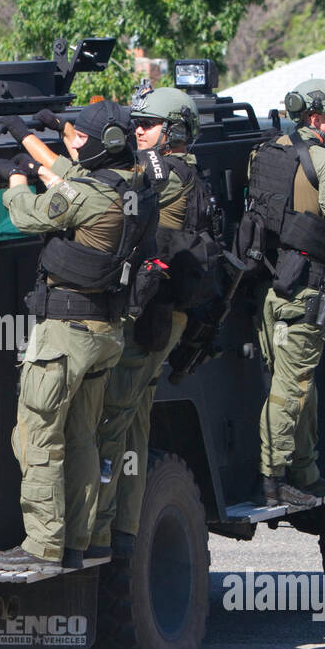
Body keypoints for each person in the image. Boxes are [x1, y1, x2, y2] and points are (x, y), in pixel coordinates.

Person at [0, 100, 156, 569]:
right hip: (104, 330)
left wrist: (15, 180)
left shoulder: (89, 194)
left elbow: (28, 215)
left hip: (67, 334)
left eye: (81, 136)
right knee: (83, 438)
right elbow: (76, 173)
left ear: (107, 143)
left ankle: (42, 545)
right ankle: (81, 540)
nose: (74, 142)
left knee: (36, 436)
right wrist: (29, 139)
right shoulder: (135, 183)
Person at [91, 87, 211, 559]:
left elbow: (109, 188)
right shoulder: (174, 171)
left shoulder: (168, 174)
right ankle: (126, 527)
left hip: (152, 315)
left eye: (147, 124)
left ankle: (98, 532)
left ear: (174, 130)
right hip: (158, 312)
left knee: (111, 418)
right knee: (135, 419)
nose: (137, 131)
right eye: (135, 123)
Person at [245, 78, 325, 508]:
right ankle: (273, 478)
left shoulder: (264, 153)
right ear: (316, 118)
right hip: (303, 290)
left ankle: (306, 472)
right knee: (291, 387)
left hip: (270, 286)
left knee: (299, 385)